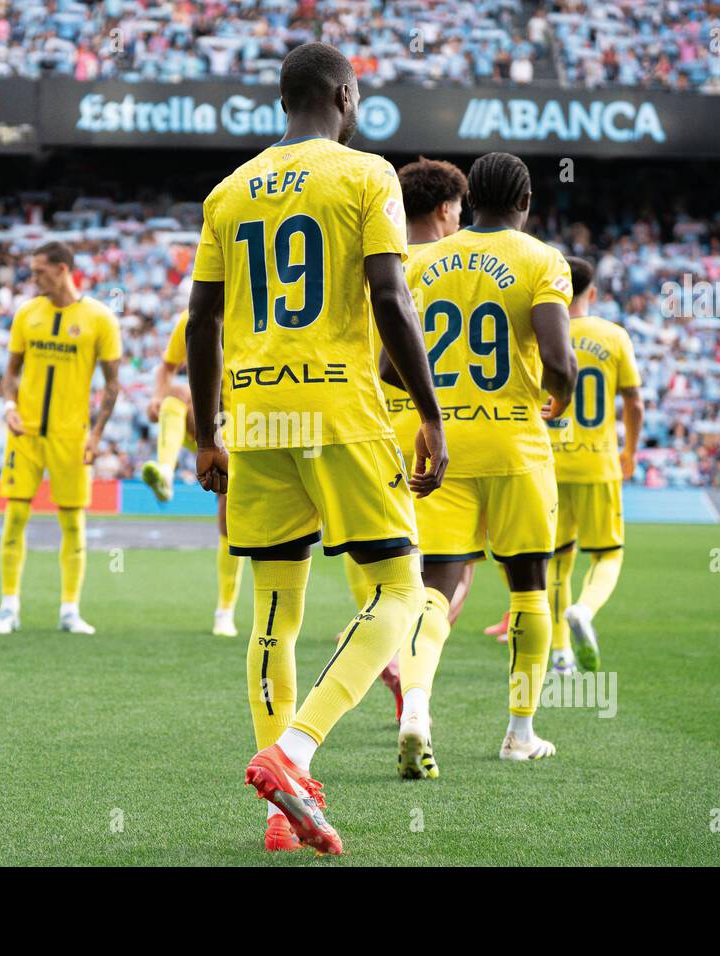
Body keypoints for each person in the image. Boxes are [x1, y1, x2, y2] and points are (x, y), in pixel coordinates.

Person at [186, 42, 446, 854]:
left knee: (274, 610)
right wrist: (432, 413)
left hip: (258, 412)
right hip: (340, 407)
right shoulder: (367, 175)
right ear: (343, 93)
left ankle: (281, 813)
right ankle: (294, 753)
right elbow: (390, 296)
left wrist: (207, 432)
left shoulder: (227, 192)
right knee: (400, 592)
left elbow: (201, 320)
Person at [388, 152, 578, 779]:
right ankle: (519, 734)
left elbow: (390, 366)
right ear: (524, 204)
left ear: (468, 205)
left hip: (442, 442)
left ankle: (415, 707)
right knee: (529, 586)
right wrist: (563, 395)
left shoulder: (420, 261)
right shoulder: (543, 260)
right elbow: (559, 360)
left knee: (436, 587)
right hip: (517, 445)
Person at [342, 155, 467, 722]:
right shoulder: (460, 264)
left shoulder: (370, 257)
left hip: (362, 426)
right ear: (445, 209)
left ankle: (387, 659)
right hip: (427, 422)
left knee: (377, 568)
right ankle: (415, 685)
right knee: (445, 571)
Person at [0, 241, 121, 635]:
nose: (33, 278)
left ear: (63, 269)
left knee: (74, 523)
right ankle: (9, 608)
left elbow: (113, 385)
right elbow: (10, 372)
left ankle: (70, 610)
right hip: (25, 433)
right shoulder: (27, 314)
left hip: (71, 435)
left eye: (40, 271)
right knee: (14, 517)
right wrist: (9, 407)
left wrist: (96, 434)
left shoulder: (99, 318)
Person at [547, 256, 643, 673]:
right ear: (594, 293)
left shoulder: (542, 336)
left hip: (550, 465)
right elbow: (634, 402)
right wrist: (630, 452)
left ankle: (560, 652)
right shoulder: (613, 336)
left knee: (556, 561)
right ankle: (584, 610)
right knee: (607, 554)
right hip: (597, 462)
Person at [138, 308, 245, 637]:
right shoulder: (191, 318)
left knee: (229, 521)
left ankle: (224, 611)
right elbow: (167, 368)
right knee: (174, 397)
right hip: (206, 431)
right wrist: (157, 395)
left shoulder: (255, 312)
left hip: (246, 430)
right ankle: (166, 474)